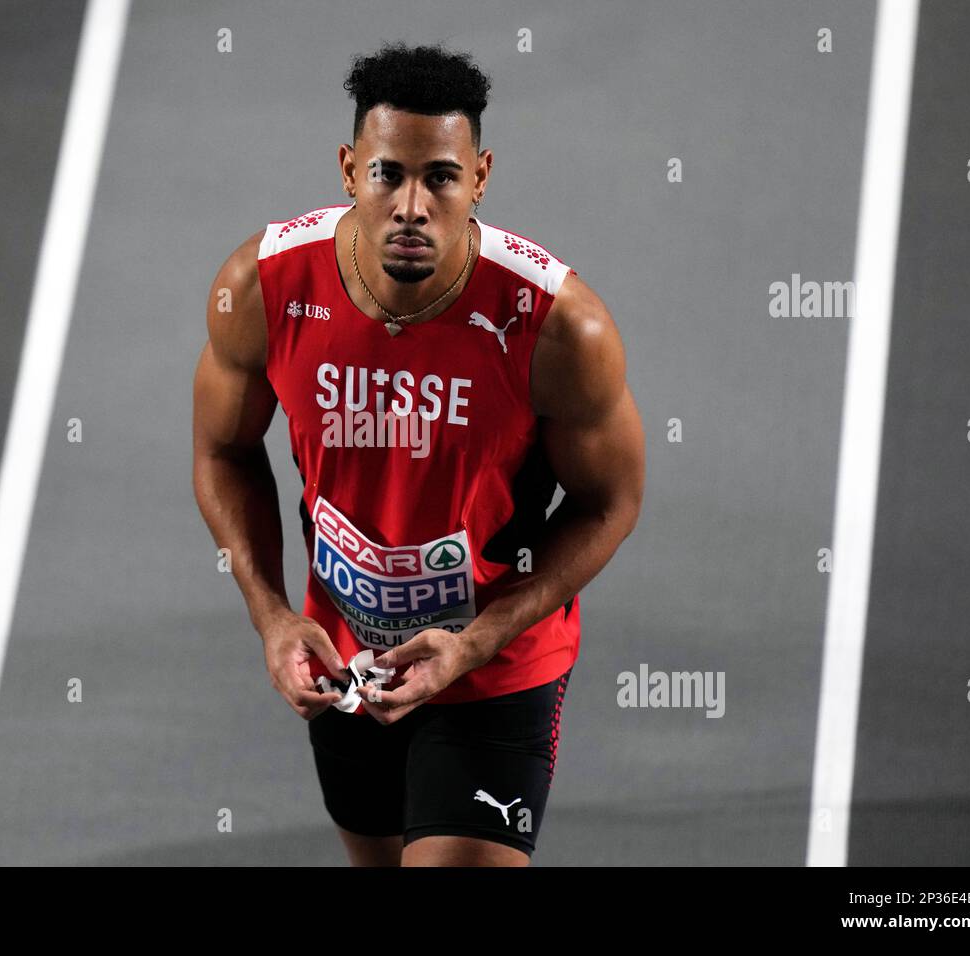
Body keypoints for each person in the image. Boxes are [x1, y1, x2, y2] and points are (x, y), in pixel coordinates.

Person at [192, 42, 644, 866]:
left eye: (439, 176)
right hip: (344, 662)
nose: (410, 204)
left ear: (479, 179)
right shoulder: (264, 287)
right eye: (386, 174)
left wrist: (475, 641)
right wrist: (272, 618)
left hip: (496, 664)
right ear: (346, 170)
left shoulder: (556, 327)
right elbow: (223, 451)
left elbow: (611, 501)